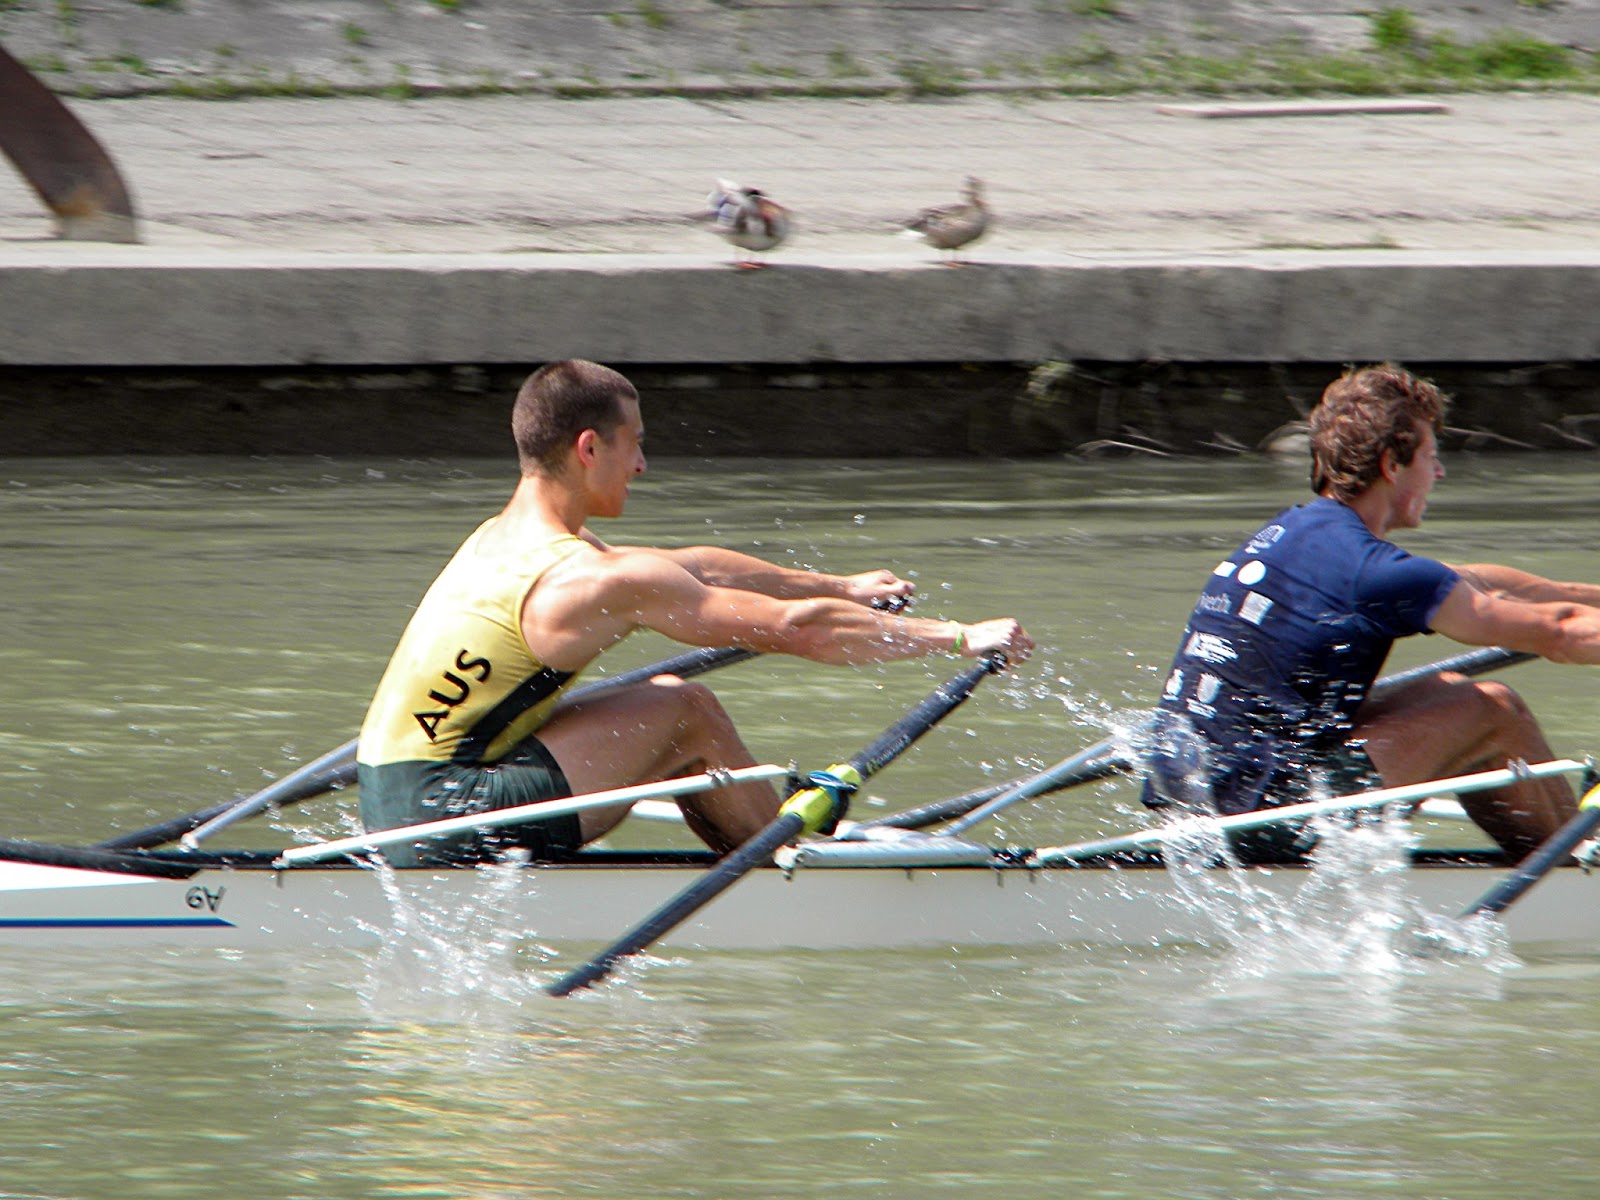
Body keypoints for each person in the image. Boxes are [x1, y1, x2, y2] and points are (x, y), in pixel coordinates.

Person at [357, 359, 1034, 866]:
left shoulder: (507, 539)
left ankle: (759, 824)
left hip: (395, 801)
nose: (643, 464)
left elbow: (700, 568)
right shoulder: (592, 579)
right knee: (686, 712)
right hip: (446, 820)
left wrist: (841, 583)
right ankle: (782, 856)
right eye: (635, 443)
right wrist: (954, 636)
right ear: (590, 447)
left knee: (661, 696)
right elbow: (798, 632)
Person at [1144, 363, 1600, 863]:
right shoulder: (1377, 571)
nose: (1440, 473)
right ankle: (1580, 863)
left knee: (1445, 690)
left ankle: (1561, 846)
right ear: (1391, 465)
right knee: (1492, 708)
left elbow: (1478, 583)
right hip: (1261, 822)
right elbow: (1560, 633)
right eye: (1431, 456)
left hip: (1194, 809)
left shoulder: (1297, 536)